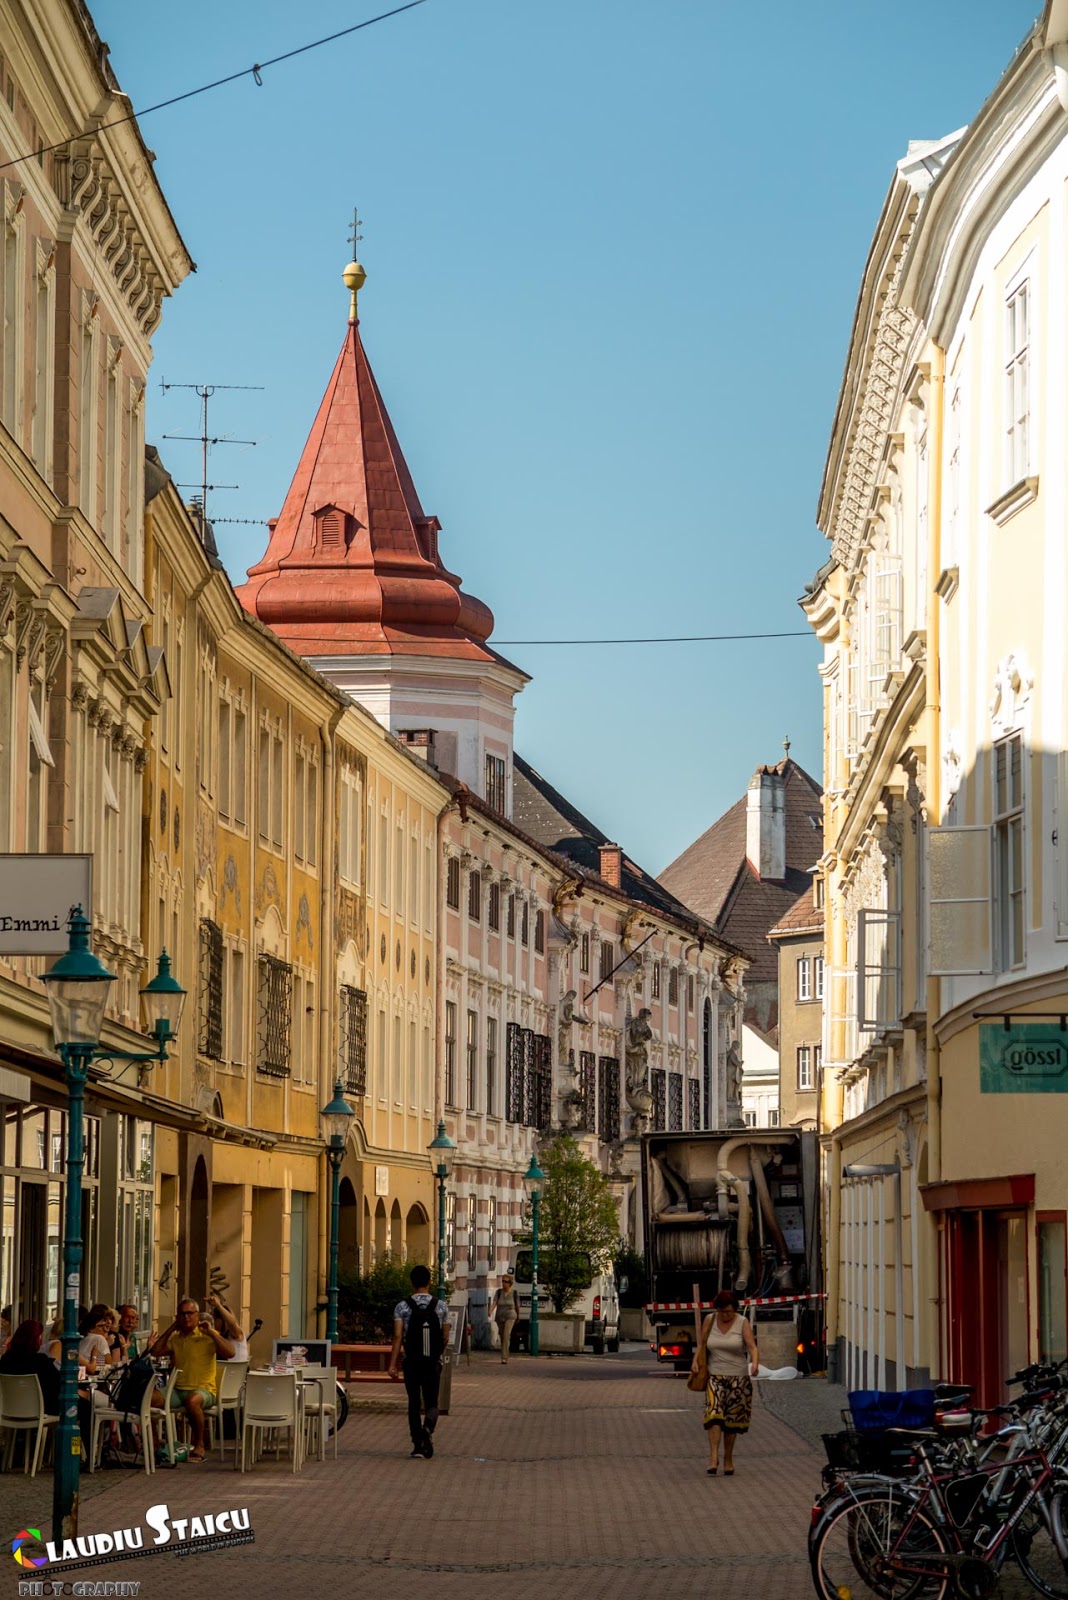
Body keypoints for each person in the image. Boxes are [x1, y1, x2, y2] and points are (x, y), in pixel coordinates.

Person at [150, 1297, 234, 1461]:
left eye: (190, 1313)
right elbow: (156, 1351)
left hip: (204, 1391)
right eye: (182, 1314)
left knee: (192, 1401)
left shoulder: (207, 1334)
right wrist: (171, 1328)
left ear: (197, 1315)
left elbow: (230, 1353)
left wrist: (211, 1332)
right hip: (177, 1389)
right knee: (148, 1399)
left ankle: (199, 1444)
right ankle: (154, 1444)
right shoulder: (176, 1337)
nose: (186, 1317)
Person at [693, 1288, 759, 1476]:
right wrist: (695, 1362)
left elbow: (752, 1347)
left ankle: (728, 1457)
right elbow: (702, 1344)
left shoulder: (742, 1323)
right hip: (715, 1376)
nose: (726, 1315)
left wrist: (755, 1363)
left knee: (732, 1422)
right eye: (723, 1312)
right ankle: (713, 1457)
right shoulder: (710, 1320)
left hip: (738, 1378)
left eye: (729, 1312)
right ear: (717, 1310)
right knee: (713, 1414)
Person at [388, 1265, 451, 1459]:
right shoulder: (441, 1306)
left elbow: (398, 1336)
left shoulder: (402, 1307)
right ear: (430, 1282)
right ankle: (428, 1428)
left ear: (412, 1283)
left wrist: (393, 1364)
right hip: (432, 1362)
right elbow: (446, 1337)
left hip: (412, 1362)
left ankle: (417, 1444)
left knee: (414, 1402)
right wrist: (436, 1355)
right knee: (432, 1402)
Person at [0, 1319, 60, 1414]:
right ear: (35, 1339)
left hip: (10, 1410)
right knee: (84, 1405)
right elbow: (58, 1382)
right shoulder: (40, 1361)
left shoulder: (5, 1359)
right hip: (40, 1410)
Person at [488, 1274, 519, 1364]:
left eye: (506, 1282)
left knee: (506, 1335)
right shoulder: (499, 1292)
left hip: (511, 1315)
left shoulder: (514, 1293)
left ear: (510, 1283)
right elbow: (494, 1303)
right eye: (502, 1281)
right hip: (500, 1315)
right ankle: (506, 1351)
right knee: (502, 1336)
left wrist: (518, 1316)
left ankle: (504, 1357)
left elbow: (517, 1306)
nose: (503, 1283)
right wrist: (490, 1311)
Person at [78, 1305, 118, 1375]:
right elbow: (110, 1366)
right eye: (101, 1326)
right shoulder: (99, 1339)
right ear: (92, 1326)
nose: (104, 1329)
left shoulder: (81, 1337)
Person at [207, 1293, 248, 1360]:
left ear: (221, 1320)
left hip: (234, 1369)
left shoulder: (236, 1334)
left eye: (214, 1319)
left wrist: (218, 1306)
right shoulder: (218, 1336)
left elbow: (232, 1323)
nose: (212, 1322)